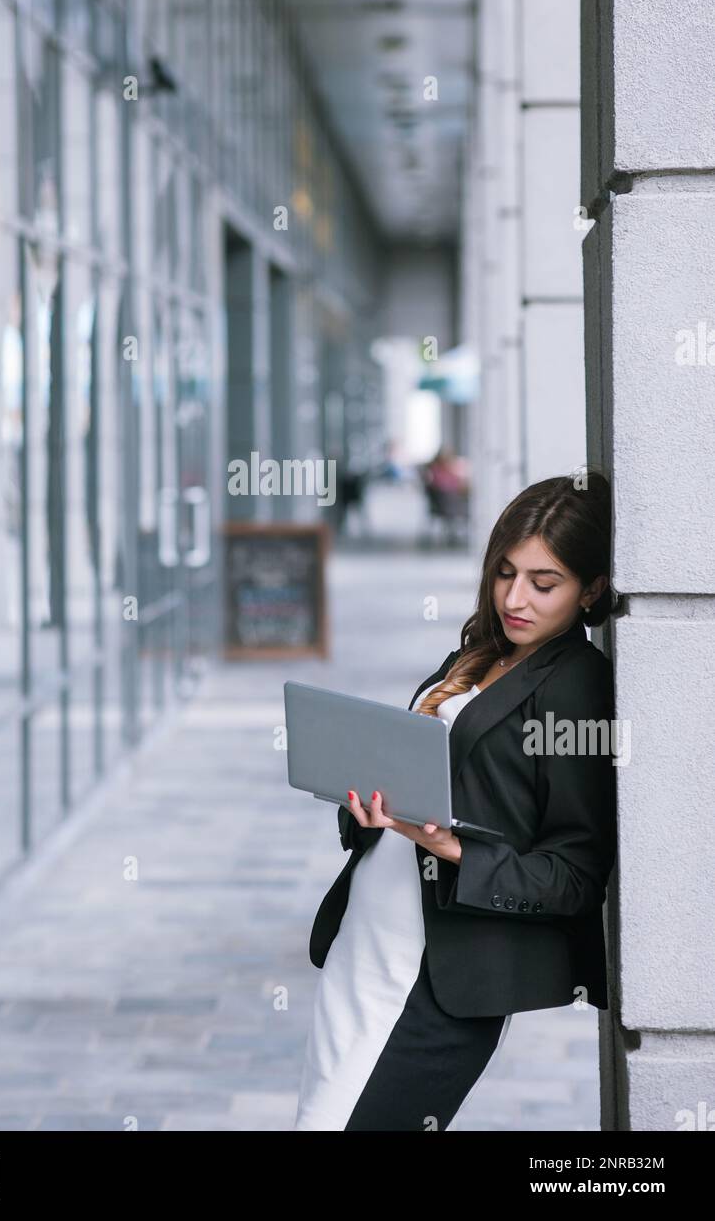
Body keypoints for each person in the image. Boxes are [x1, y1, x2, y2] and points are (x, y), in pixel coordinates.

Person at [294, 470, 620, 1131]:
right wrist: (365, 809)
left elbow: (576, 877)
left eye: (543, 582)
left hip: (439, 977)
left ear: (590, 591)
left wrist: (452, 847)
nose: (515, 597)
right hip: (368, 941)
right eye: (505, 573)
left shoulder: (578, 687)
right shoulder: (479, 651)